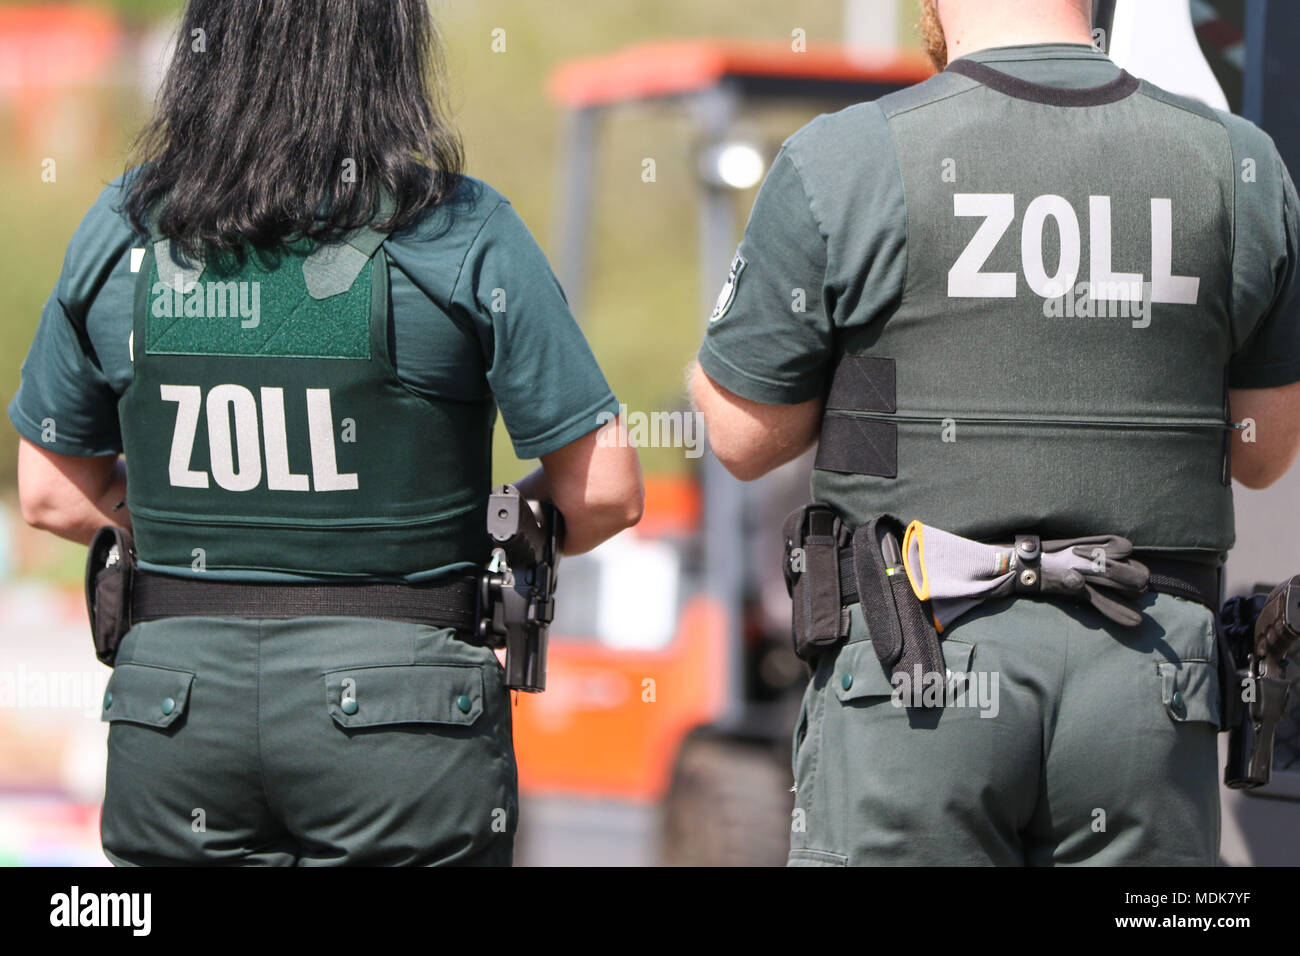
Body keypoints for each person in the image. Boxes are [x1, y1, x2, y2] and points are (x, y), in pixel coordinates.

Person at [11, 0, 642, 866]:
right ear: (388, 49)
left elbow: (48, 490)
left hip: (175, 723)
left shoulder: (122, 228)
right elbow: (603, 489)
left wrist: (189, 526)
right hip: (402, 732)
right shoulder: (460, 229)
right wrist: (474, 529)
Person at [691, 0, 1300, 866]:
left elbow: (743, 436)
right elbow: (1264, 451)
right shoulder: (1238, 163)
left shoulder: (848, 158)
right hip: (1150, 687)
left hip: (916, 681)